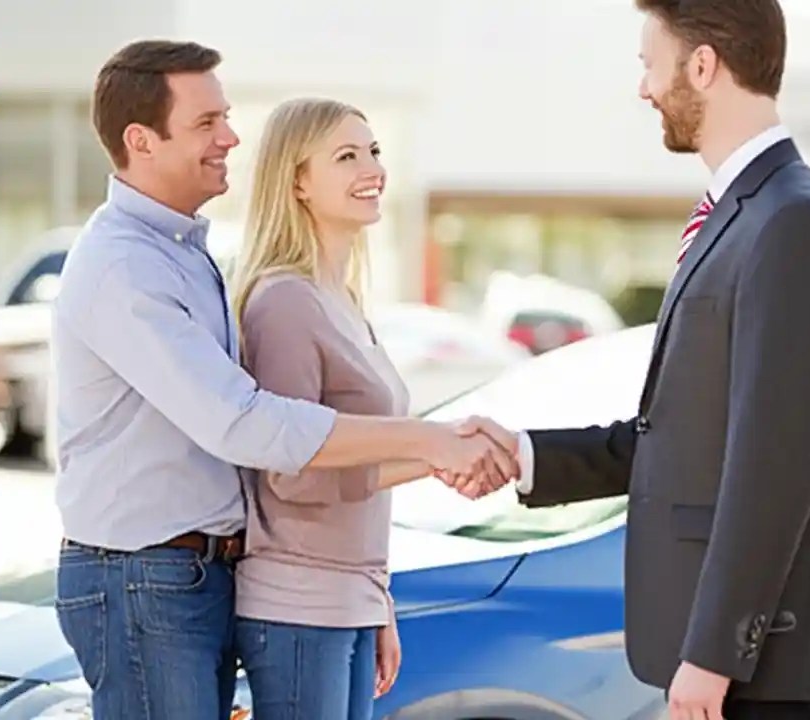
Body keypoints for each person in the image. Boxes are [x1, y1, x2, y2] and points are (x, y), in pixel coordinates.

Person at [51, 41, 516, 720]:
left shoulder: (183, 255)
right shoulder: (125, 267)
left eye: (225, 117)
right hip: (141, 576)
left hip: (193, 575)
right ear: (140, 141)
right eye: (206, 122)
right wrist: (428, 441)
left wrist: (372, 586)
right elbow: (244, 424)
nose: (231, 137)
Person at [464, 1, 810, 718]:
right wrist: (527, 456)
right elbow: (684, 436)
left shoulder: (792, 220)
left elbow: (777, 465)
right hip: (730, 661)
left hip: (759, 666)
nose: (644, 88)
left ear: (703, 66)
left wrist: (715, 654)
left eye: (650, 65)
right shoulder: (747, 211)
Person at [227, 97, 426, 720]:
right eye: (346, 156)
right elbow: (291, 474)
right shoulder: (284, 303)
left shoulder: (342, 300)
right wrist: (432, 452)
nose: (372, 169)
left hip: (348, 601)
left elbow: (355, 474)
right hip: (297, 607)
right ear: (297, 182)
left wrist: (376, 598)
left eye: (373, 151)